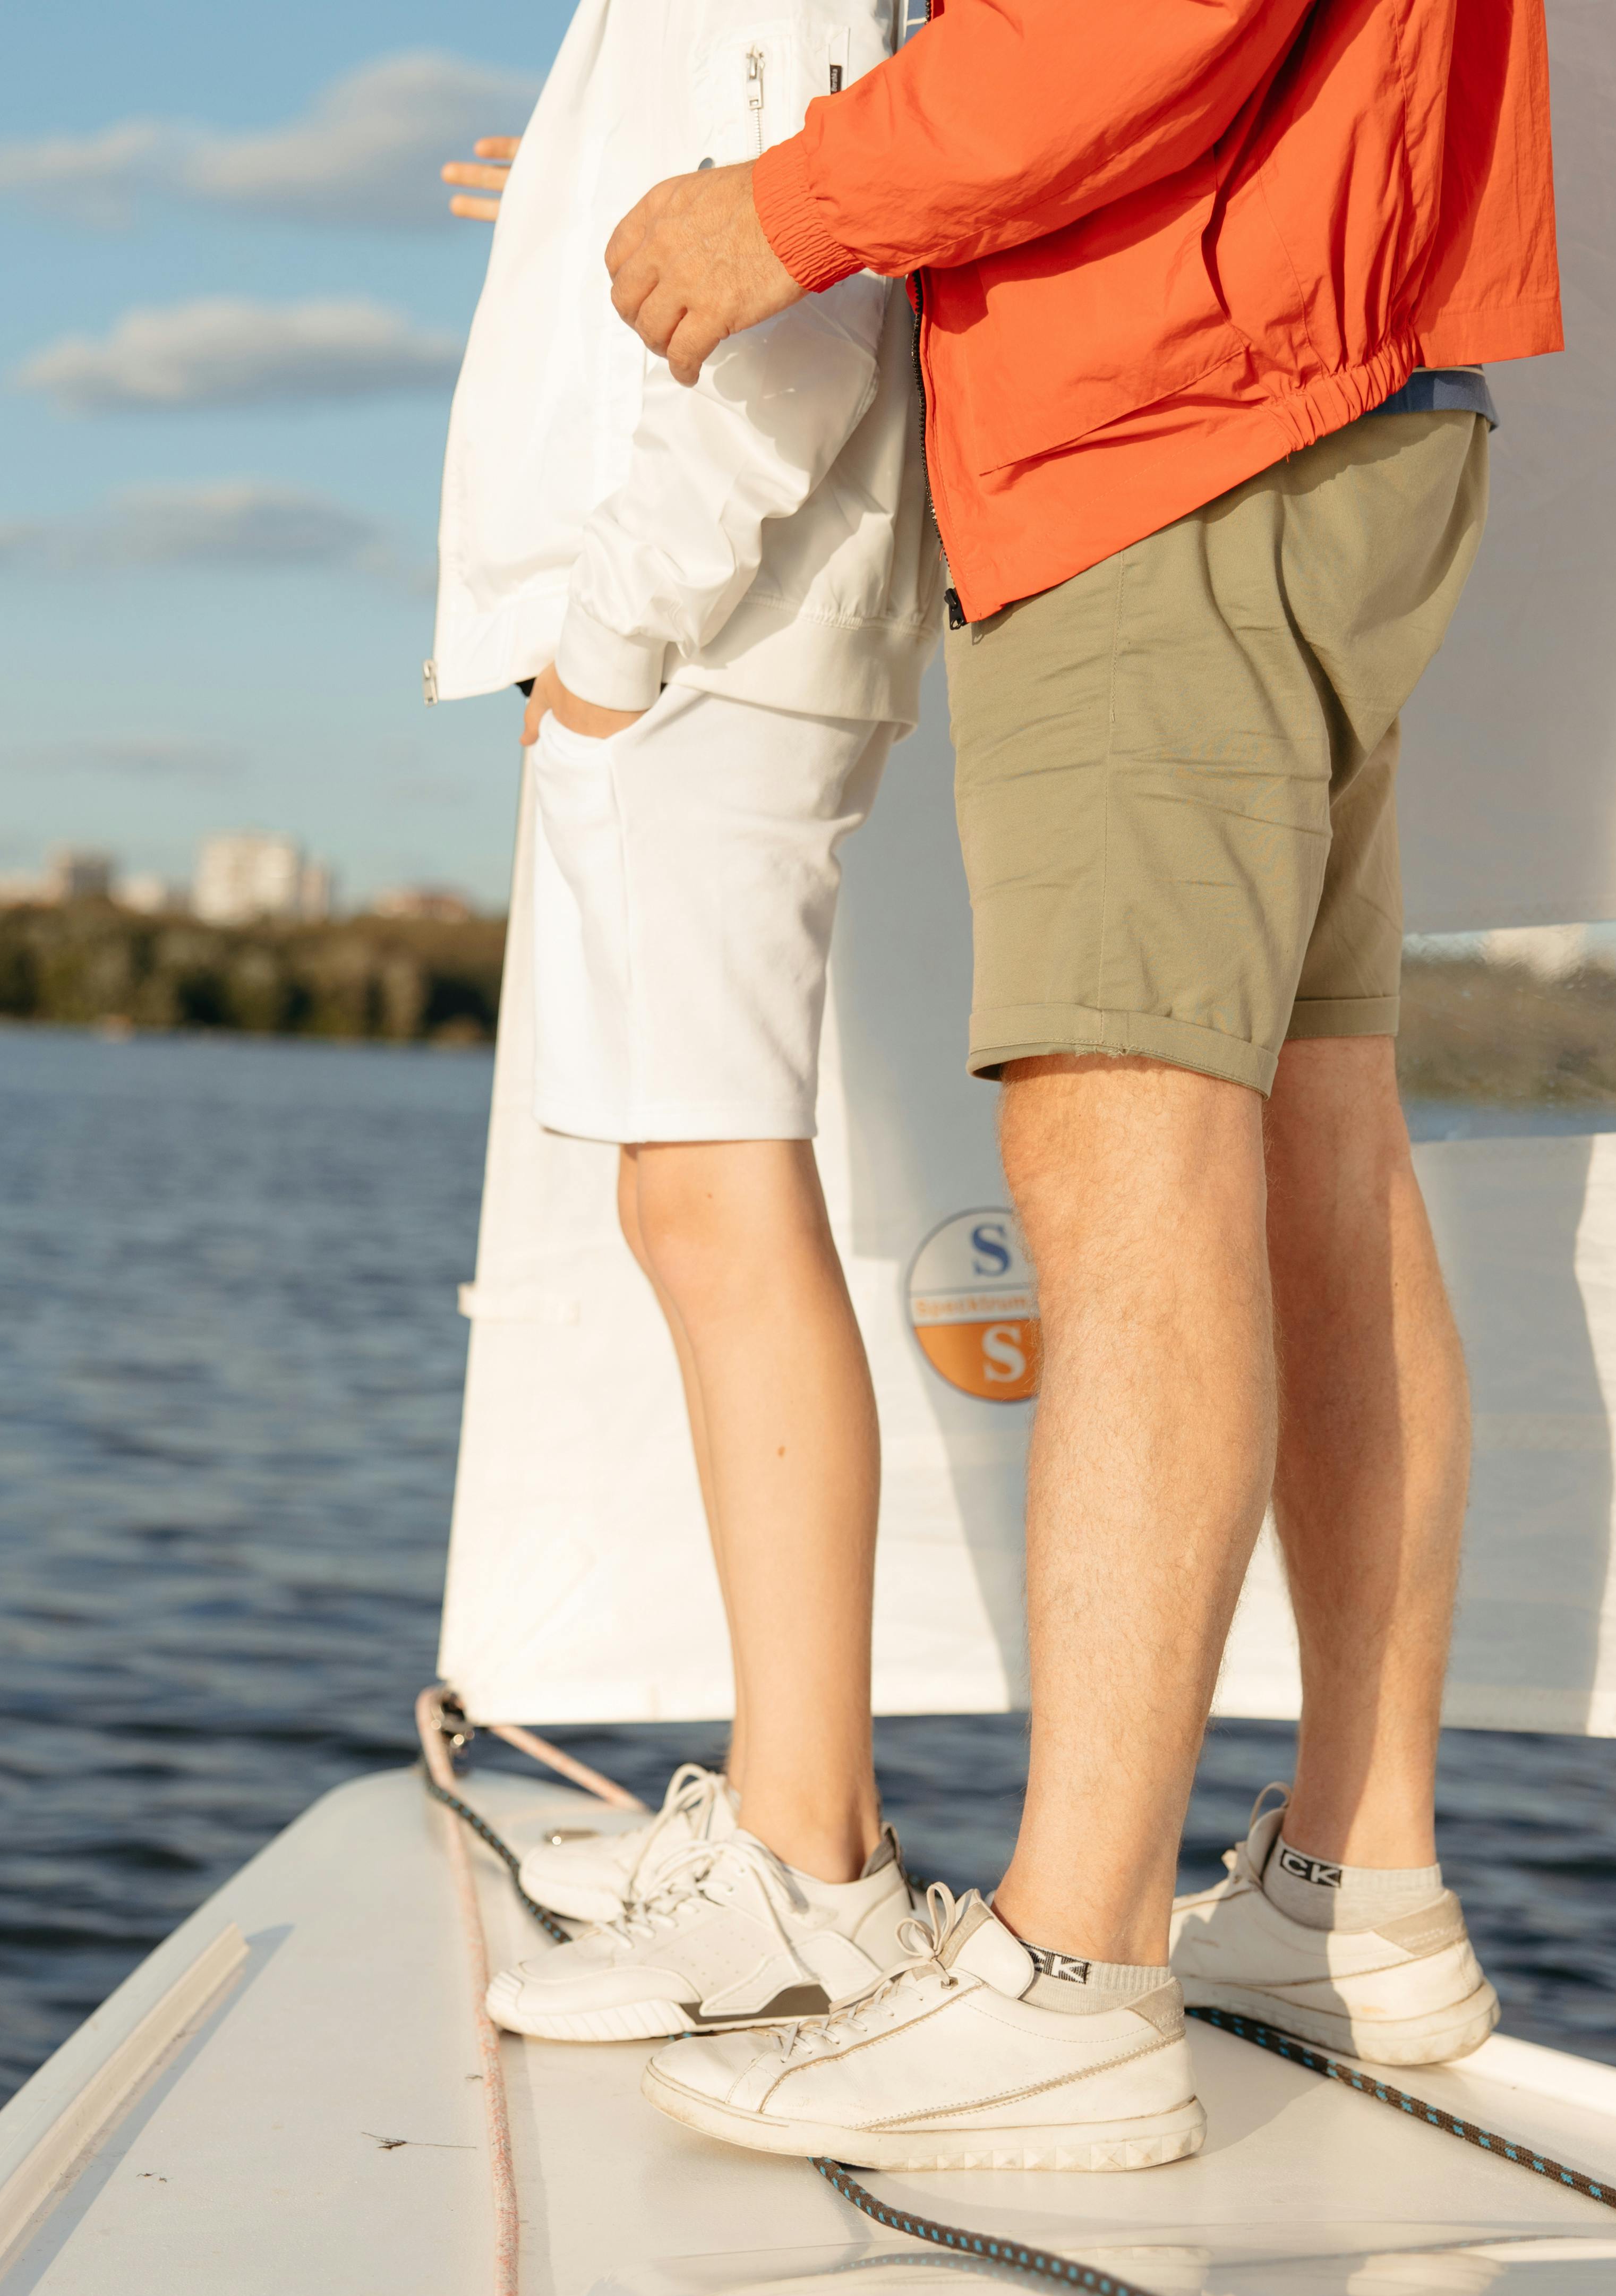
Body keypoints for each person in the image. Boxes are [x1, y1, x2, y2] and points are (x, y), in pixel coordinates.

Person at [580, 0, 1568, 2171]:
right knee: (1317, 1139)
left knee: (1127, 1146)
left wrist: (783, 207)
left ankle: (1077, 1970)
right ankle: (1356, 1886)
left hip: (1176, 391)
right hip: (1331, 371)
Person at [426, 0, 945, 2044]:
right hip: (701, 643)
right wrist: (563, 191)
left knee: (723, 1206)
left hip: (709, 640)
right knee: (690, 1202)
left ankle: (811, 1867)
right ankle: (800, 1826)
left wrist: (615, 635)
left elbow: (815, 293)